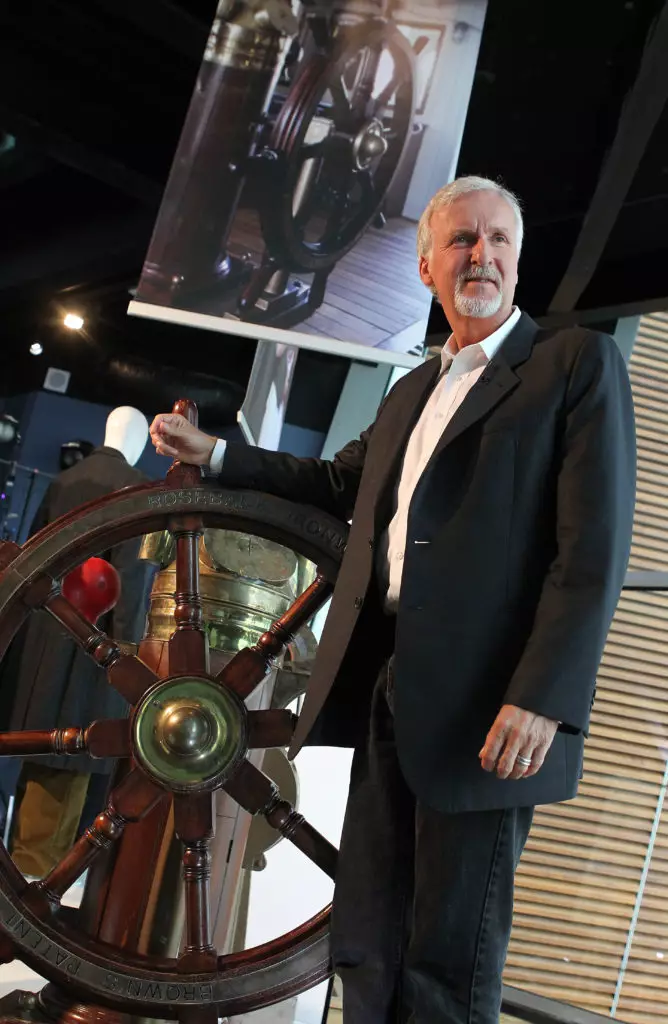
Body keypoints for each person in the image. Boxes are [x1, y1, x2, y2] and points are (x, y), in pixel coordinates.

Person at [149, 176, 636, 1024]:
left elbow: (590, 551)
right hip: (389, 681)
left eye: (497, 241)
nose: (481, 256)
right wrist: (219, 454)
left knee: (450, 951)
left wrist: (542, 698)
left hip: (494, 705)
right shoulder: (413, 388)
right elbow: (339, 480)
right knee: (370, 932)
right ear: (425, 268)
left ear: (519, 259)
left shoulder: (574, 363)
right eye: (461, 242)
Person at [4, 407, 154, 876]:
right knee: (68, 767)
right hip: (92, 643)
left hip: (39, 637)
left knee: (37, 753)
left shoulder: (65, 480)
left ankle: (18, 875)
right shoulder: (135, 489)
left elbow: (26, 564)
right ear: (138, 442)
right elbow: (128, 579)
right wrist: (130, 656)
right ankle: (32, 887)